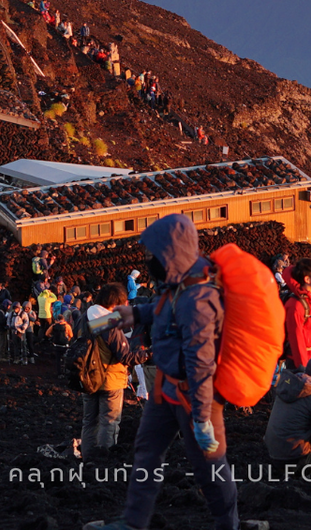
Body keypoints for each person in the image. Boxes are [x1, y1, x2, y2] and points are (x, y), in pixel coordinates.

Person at [86, 214, 238, 530]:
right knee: (147, 452)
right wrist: (134, 313)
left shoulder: (198, 299)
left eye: (153, 254)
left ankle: (229, 524)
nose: (148, 260)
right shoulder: (176, 285)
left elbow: (200, 364)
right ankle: (133, 522)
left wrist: (201, 419)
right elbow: (163, 311)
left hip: (193, 397)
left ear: (171, 253)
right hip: (165, 389)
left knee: (208, 465)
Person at [79, 287, 135, 462]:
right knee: (109, 422)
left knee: (89, 422)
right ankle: (104, 462)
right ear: (115, 303)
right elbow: (125, 356)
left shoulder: (83, 317)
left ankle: (88, 458)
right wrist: (148, 353)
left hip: (87, 378)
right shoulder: (108, 322)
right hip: (109, 379)